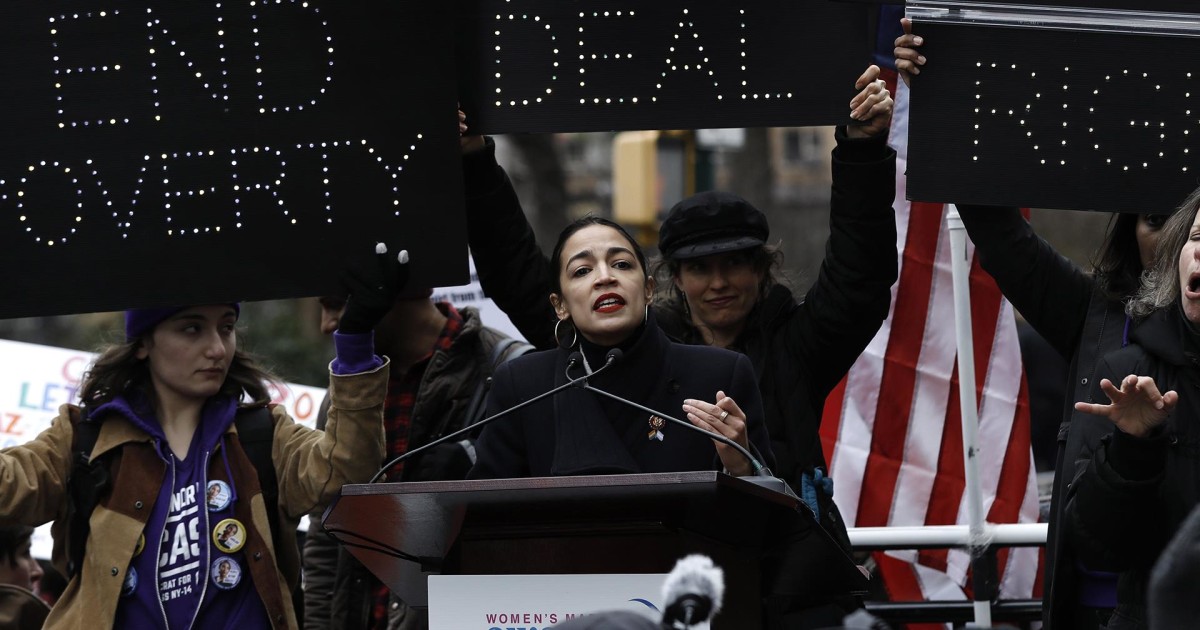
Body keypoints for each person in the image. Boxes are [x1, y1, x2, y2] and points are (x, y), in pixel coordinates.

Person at [460, 65, 896, 552]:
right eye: (699, 268)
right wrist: (474, 161)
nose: (718, 282)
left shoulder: (797, 343)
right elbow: (518, 274)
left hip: (773, 561)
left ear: (762, 270)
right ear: (668, 281)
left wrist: (861, 149)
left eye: (734, 263)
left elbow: (860, 278)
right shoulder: (621, 333)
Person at [894, 18, 1173, 629]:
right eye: (1158, 221)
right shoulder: (1095, 315)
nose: (1180, 244)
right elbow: (1000, 234)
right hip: (1097, 605)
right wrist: (945, 90)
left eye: (1194, 224)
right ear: (1130, 233)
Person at [0, 244, 406, 629]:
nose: (216, 348)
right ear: (143, 343)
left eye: (226, 327)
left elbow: (348, 475)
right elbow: (8, 488)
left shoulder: (265, 434)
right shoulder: (82, 438)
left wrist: (355, 346)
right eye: (192, 328)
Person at [468, 215, 774, 478]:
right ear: (560, 305)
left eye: (621, 264)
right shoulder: (523, 386)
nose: (605, 277)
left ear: (649, 290)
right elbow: (486, 517)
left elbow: (766, 525)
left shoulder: (720, 375)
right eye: (582, 271)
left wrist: (741, 467)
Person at [302, 290, 531, 630]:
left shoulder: (508, 370)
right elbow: (326, 536)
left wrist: (474, 463)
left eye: (336, 305)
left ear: (388, 288)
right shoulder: (349, 391)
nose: (326, 326)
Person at [1065, 185, 1200, 630]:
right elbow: (1099, 544)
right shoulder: (1129, 374)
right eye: (1195, 238)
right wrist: (1132, 448)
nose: (1199, 253)